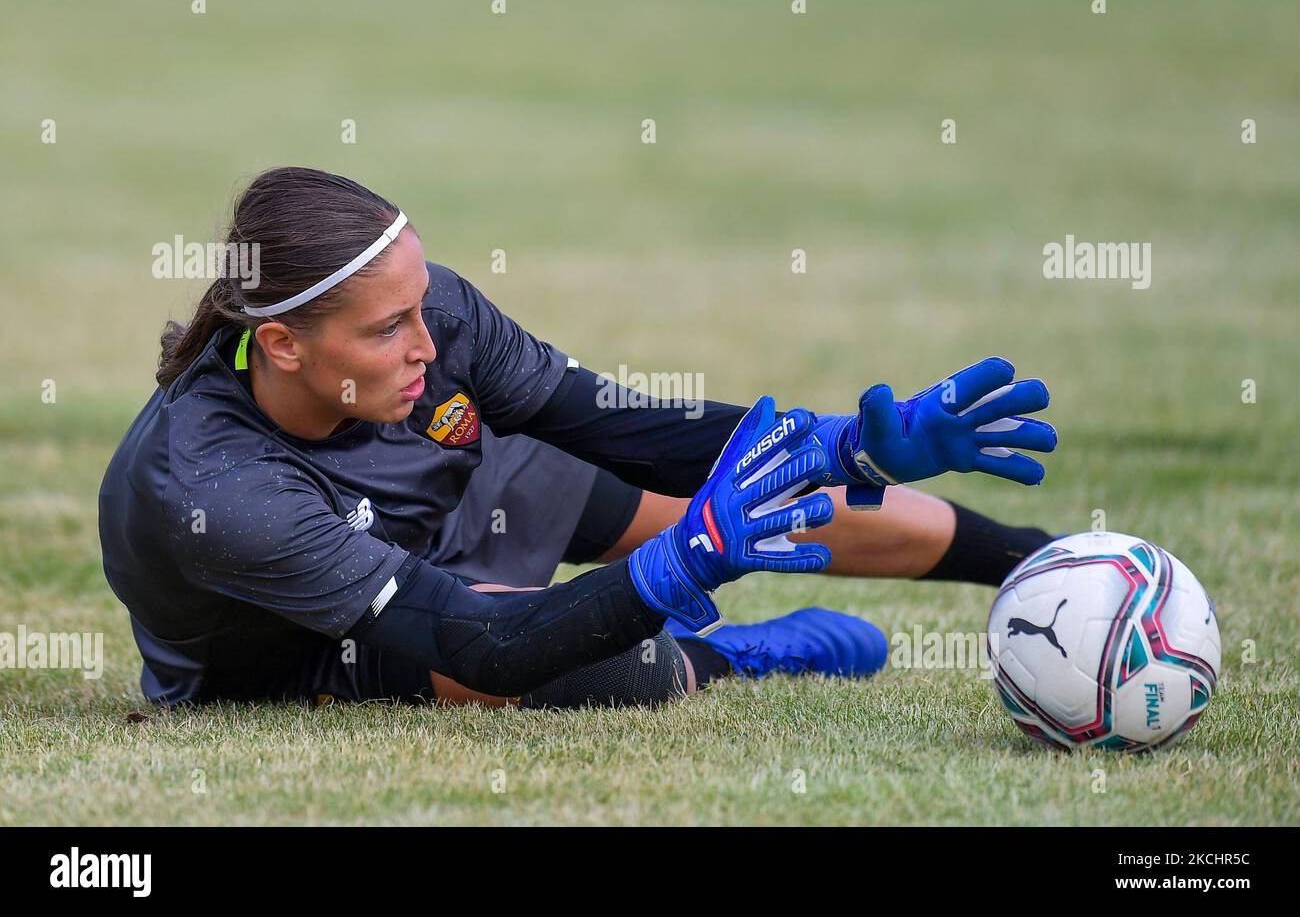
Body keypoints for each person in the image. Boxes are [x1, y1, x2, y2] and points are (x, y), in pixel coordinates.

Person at [98, 167, 1058, 710]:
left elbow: (624, 430)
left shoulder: (434, 331)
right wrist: (687, 567)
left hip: (436, 493)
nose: (428, 344)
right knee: (590, 661)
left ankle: (1047, 562)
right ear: (282, 344)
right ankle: (738, 654)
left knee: (716, 499)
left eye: (419, 306)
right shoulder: (218, 490)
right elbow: (488, 649)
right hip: (311, 645)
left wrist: (851, 449)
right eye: (388, 328)